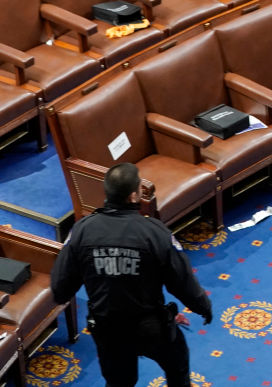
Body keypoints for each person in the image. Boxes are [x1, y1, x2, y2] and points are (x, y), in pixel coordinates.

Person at [51, 163, 213, 387]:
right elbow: (182, 282)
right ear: (133, 196)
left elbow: (60, 288)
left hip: (107, 328)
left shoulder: (81, 231)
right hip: (150, 327)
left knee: (119, 382)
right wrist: (203, 306)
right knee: (178, 367)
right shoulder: (155, 232)